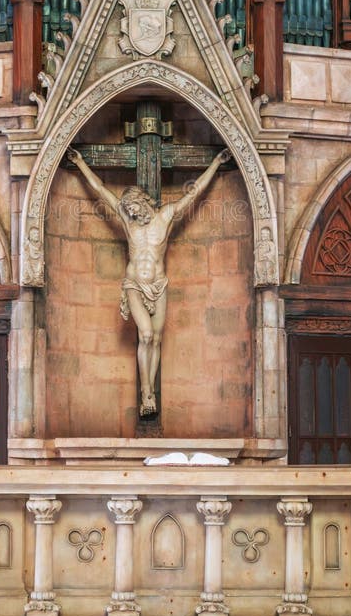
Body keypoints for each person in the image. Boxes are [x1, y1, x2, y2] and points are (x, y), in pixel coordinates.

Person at [67, 145, 231, 416]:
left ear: (143, 201)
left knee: (155, 339)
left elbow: (193, 194)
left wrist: (215, 162)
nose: (131, 214)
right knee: (145, 334)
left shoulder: (165, 216)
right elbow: (100, 189)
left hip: (159, 284)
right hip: (134, 283)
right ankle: (146, 393)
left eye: (133, 208)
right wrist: (81, 162)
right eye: (127, 210)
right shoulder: (127, 221)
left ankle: (149, 392)